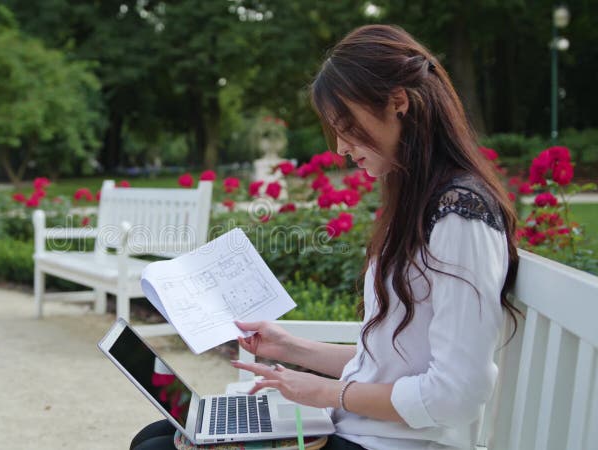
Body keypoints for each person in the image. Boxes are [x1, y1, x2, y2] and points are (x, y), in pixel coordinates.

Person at [130, 24, 520, 450]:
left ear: (399, 103)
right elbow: (388, 364)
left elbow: (457, 395)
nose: (340, 147)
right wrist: (289, 346)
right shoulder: (424, 203)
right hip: (360, 430)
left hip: (388, 443)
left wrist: (323, 393)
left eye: (346, 124)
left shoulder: (460, 217)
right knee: (161, 434)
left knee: (156, 447)